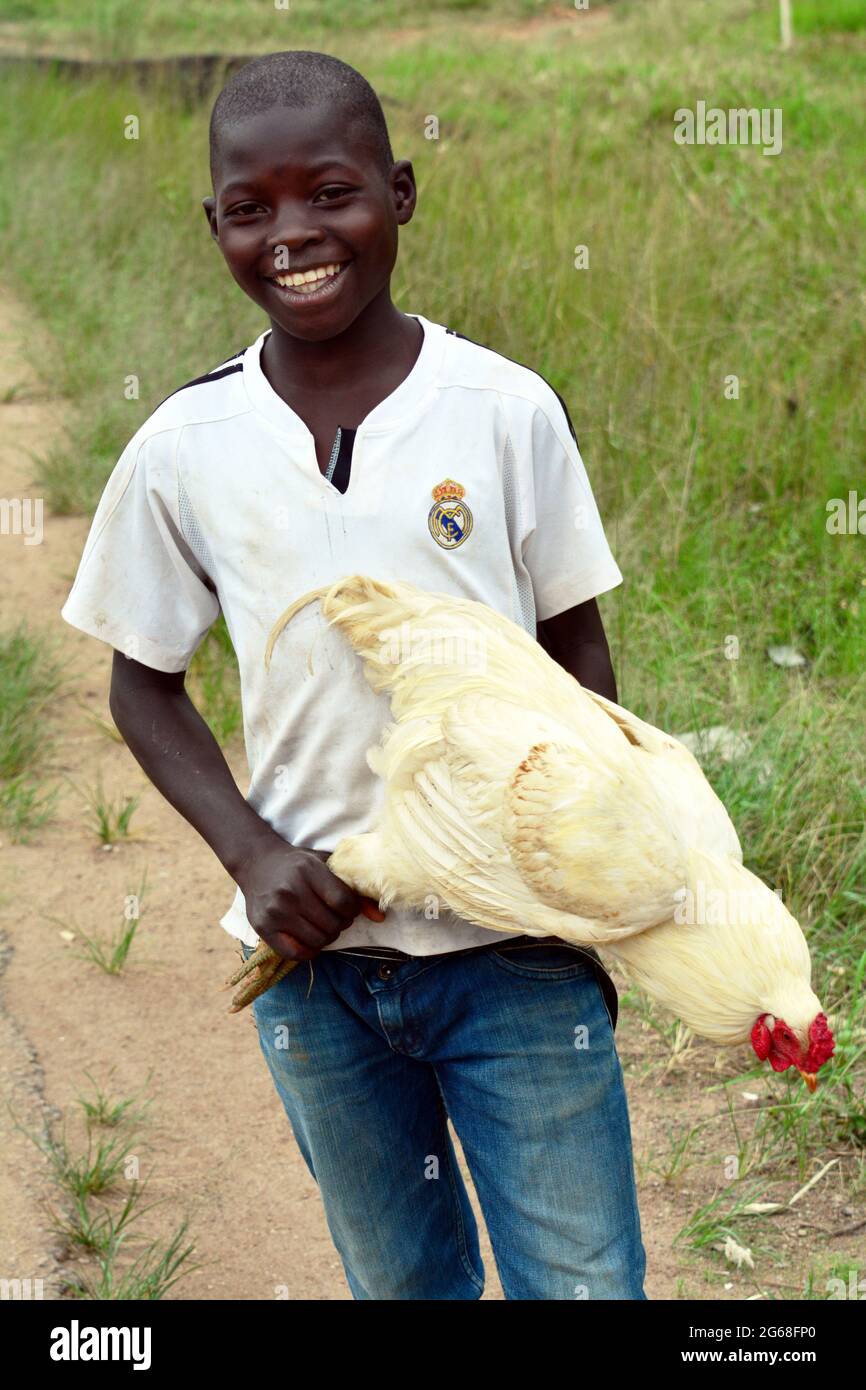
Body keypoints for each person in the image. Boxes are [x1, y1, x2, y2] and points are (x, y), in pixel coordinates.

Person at [61, 50, 647, 1300]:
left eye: (329, 192)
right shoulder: (186, 447)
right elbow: (141, 684)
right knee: (399, 1281)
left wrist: (599, 869)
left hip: (516, 950)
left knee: (583, 1281)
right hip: (317, 966)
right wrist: (252, 857)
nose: (294, 234)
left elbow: (573, 648)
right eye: (249, 208)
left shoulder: (502, 409)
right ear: (212, 226)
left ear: (401, 192)